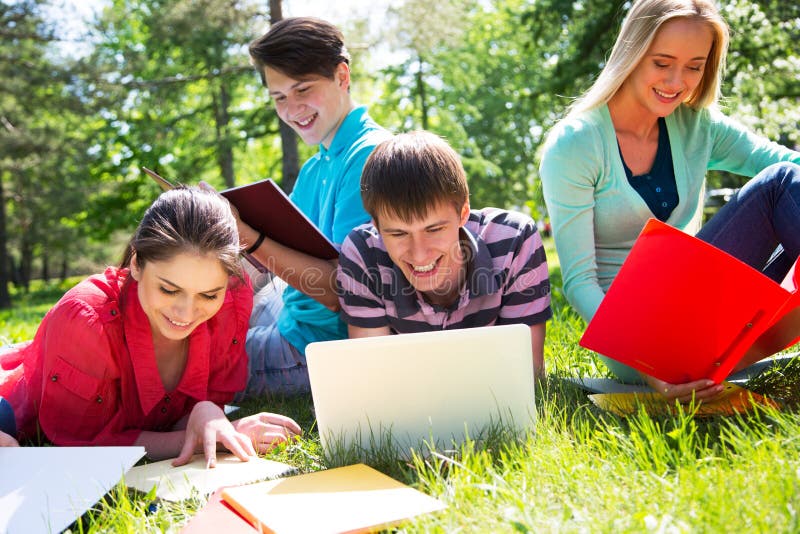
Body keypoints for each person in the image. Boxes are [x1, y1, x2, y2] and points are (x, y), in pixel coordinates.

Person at [539, 0, 800, 401]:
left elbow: (789, 164)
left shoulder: (696, 124)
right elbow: (579, 282)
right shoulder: (575, 144)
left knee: (788, 180)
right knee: (780, 184)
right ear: (632, 53)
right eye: (662, 63)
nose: (677, 81)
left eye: (694, 66)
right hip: (634, 339)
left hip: (705, 317)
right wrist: (648, 364)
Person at [0, 187, 301, 464]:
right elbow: (88, 444)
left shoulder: (232, 299)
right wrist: (215, 436)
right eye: (169, 290)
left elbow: (177, 416)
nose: (186, 312)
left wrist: (207, 417)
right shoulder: (85, 318)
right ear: (136, 263)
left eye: (209, 294)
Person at [232, 17, 391, 397]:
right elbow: (282, 259)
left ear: (341, 76)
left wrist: (251, 240)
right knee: (196, 316)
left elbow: (344, 292)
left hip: (319, 347)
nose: (292, 109)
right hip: (292, 312)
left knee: (201, 363)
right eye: (279, 97)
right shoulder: (316, 164)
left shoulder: (370, 158)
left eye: (303, 89)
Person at [336, 131, 552, 377]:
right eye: (398, 234)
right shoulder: (364, 254)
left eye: (434, 229)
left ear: (463, 214)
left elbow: (526, 374)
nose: (419, 255)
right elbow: (375, 378)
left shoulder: (514, 240)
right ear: (376, 225)